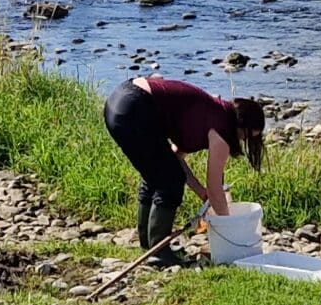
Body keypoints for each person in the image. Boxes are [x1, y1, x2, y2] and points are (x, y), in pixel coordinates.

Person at [103, 76, 266, 266]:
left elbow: (176, 159)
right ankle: (159, 252)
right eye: (246, 137)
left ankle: (150, 247)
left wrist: (201, 193)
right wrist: (228, 227)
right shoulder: (221, 131)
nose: (243, 142)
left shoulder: (209, 114)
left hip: (118, 102)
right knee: (168, 182)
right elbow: (215, 189)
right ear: (241, 127)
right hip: (136, 108)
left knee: (156, 176)